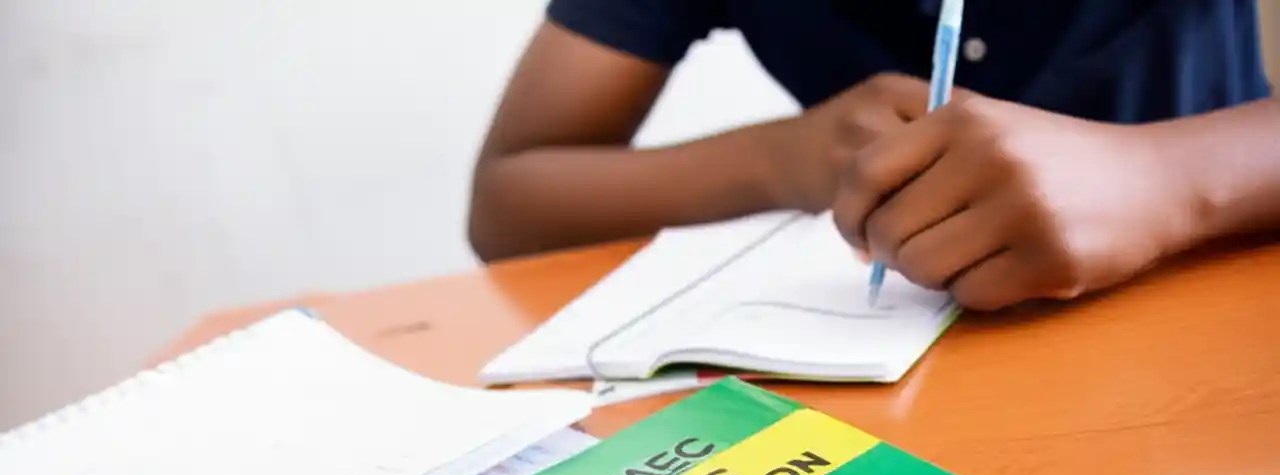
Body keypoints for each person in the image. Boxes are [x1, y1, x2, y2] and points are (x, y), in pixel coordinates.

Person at [467, 1, 1279, 310]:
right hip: (893, 395)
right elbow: (509, 204)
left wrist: (1164, 177)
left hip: (1213, 324)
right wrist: (795, 156)